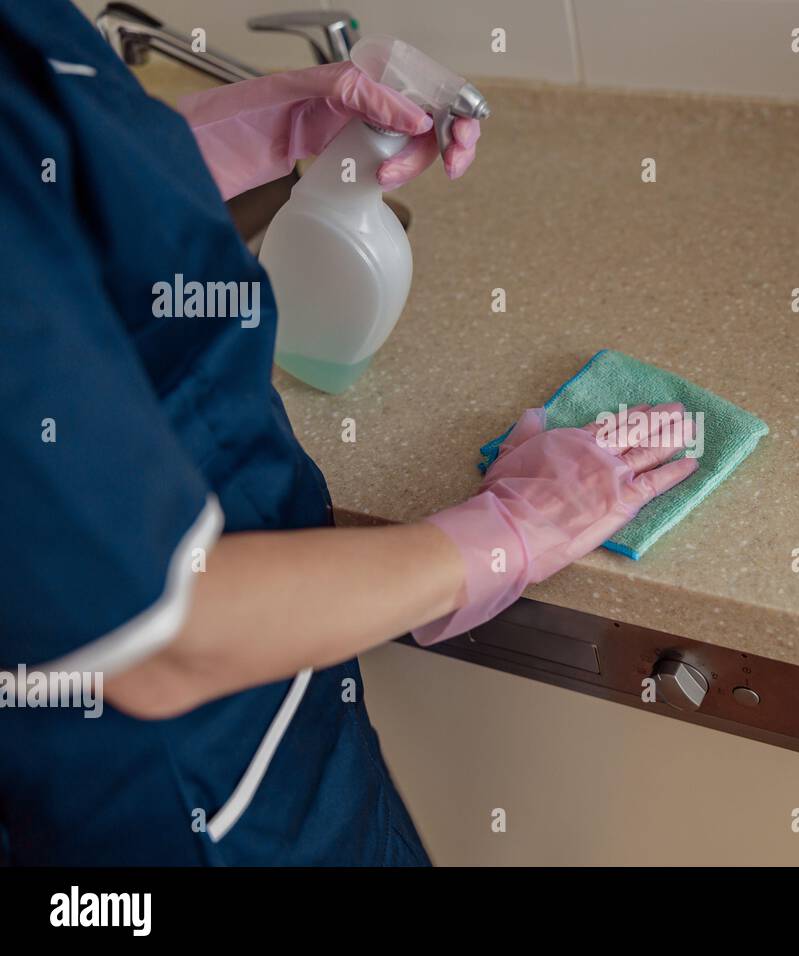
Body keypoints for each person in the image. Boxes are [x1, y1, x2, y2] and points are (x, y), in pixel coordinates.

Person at [0, 0, 696, 865]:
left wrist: (254, 132)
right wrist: (513, 531)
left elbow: (49, 188)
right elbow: (160, 641)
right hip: (175, 800)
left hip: (287, 718)